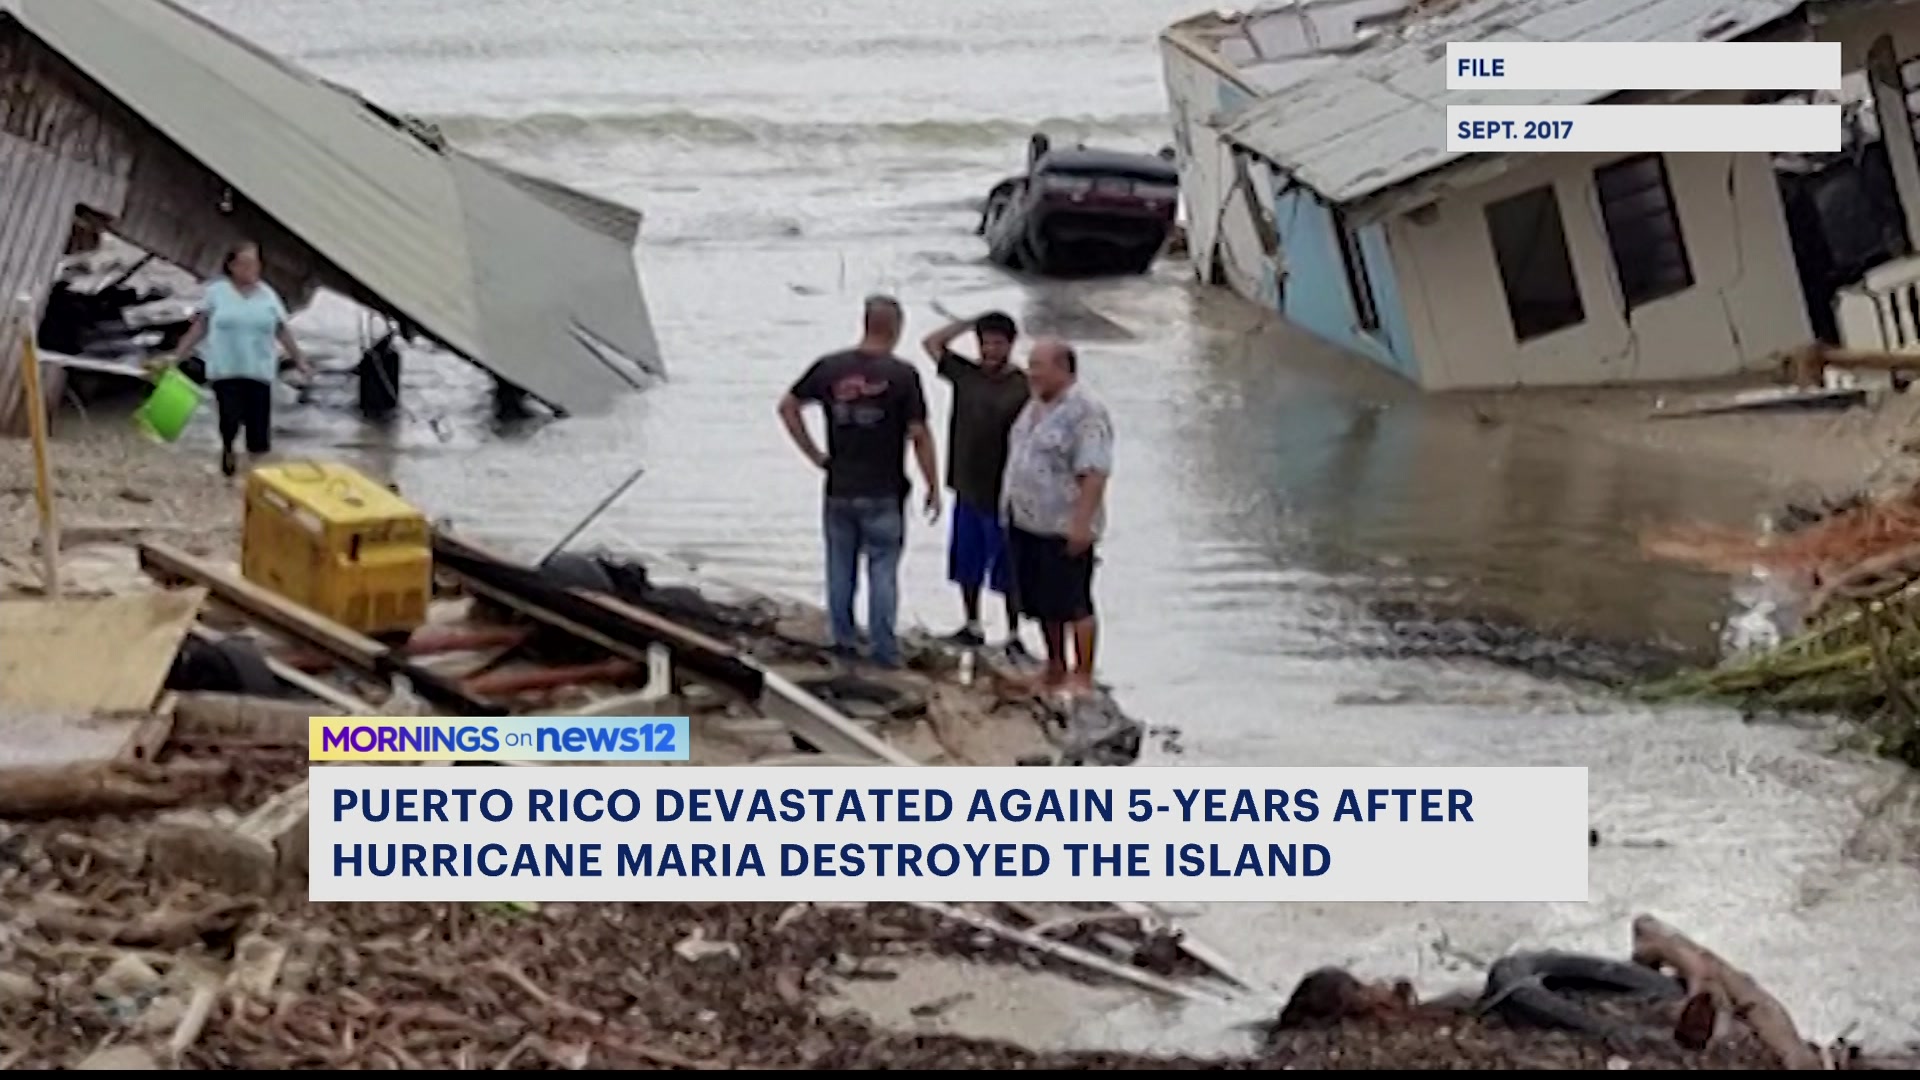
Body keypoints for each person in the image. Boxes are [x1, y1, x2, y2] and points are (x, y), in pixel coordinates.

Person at [778, 296, 941, 669]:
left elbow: (788, 406)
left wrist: (815, 455)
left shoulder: (829, 367)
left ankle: (843, 641)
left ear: (865, 322)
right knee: (882, 569)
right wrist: (932, 484)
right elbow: (919, 434)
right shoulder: (902, 375)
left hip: (839, 486)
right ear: (896, 327)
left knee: (840, 567)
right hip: (884, 489)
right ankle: (884, 650)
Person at [1002, 338, 1112, 692]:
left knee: (1075, 601)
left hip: (1064, 524)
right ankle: (1054, 666)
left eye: (1039, 366)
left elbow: (1094, 472)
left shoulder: (1086, 410)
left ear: (1063, 369)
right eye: (1031, 365)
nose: (1032, 373)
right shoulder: (1035, 405)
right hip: (1027, 521)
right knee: (1043, 602)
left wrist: (1081, 524)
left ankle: (1082, 674)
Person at [921, 310, 1030, 655]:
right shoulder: (965, 374)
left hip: (1005, 492)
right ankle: (972, 624)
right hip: (966, 485)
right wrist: (969, 322)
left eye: (997, 344)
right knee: (966, 562)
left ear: (1011, 346)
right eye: (984, 343)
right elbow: (932, 343)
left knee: (1009, 569)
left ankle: (1014, 634)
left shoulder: (1023, 385)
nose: (989, 351)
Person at [167, 242, 308, 477]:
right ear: (232, 266)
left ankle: (256, 471)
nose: (251, 269)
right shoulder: (217, 293)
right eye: (245, 263)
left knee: (258, 426)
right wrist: (177, 355)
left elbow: (281, 329)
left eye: (255, 264)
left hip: (258, 368)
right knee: (230, 418)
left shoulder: (268, 295)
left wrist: (299, 359)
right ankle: (228, 449)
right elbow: (200, 327)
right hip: (226, 367)